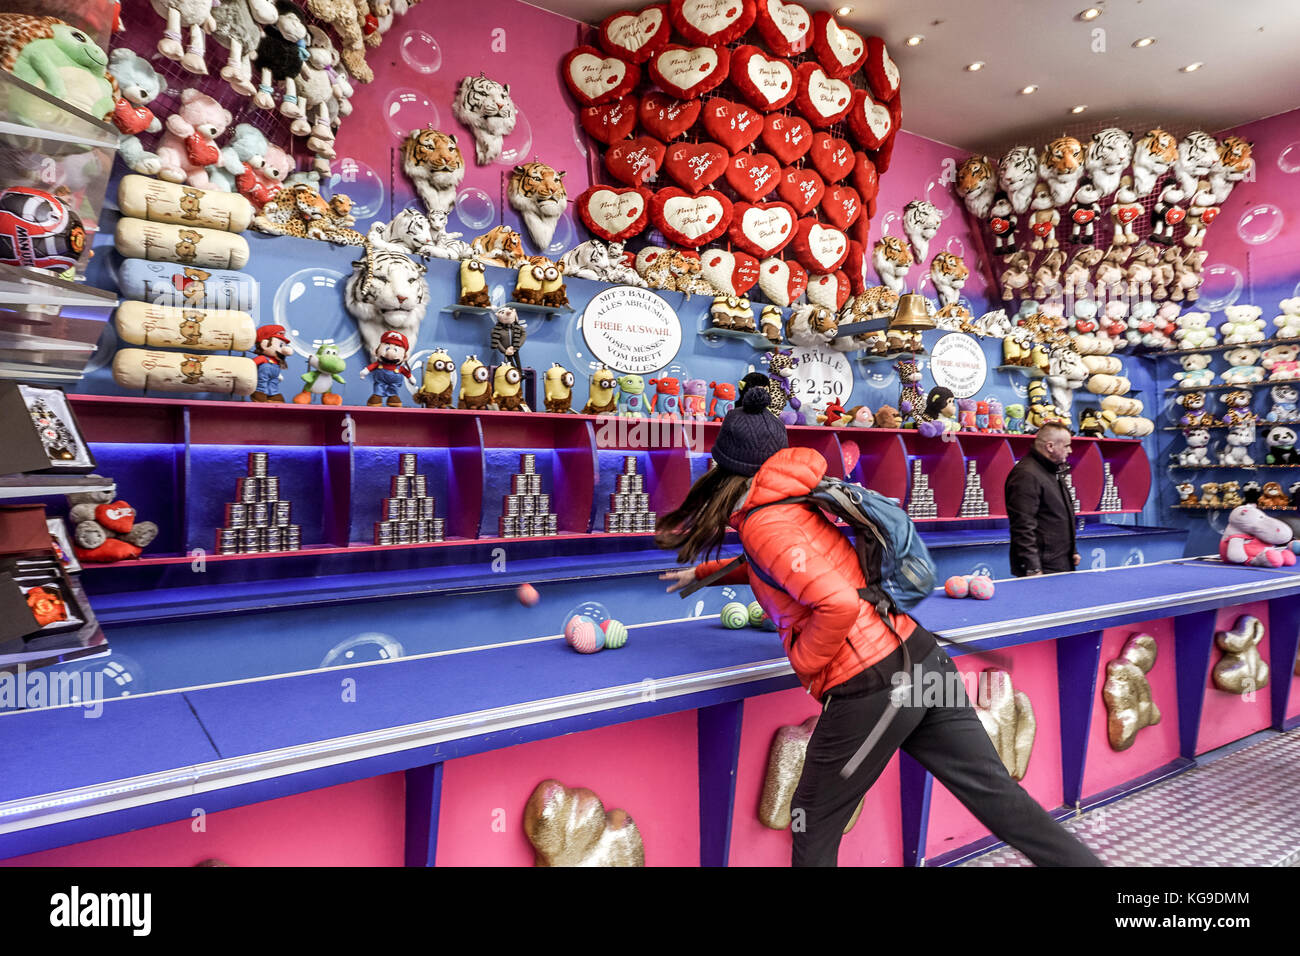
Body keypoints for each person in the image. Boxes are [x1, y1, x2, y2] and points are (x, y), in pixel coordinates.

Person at [656, 385, 1101, 867]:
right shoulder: (791, 501)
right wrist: (706, 574)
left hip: (875, 685)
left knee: (810, 814)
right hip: (921, 658)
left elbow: (836, 602)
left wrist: (806, 662)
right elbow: (786, 566)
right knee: (998, 798)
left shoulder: (766, 523)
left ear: (727, 466)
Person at [1005, 421, 1080, 576]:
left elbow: (1058, 515)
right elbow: (1022, 526)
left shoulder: (1053, 469)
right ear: (1050, 447)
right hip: (1042, 568)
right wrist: (1032, 568)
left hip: (1059, 562)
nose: (1070, 450)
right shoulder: (1026, 475)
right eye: (1066, 446)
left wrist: (1072, 551)